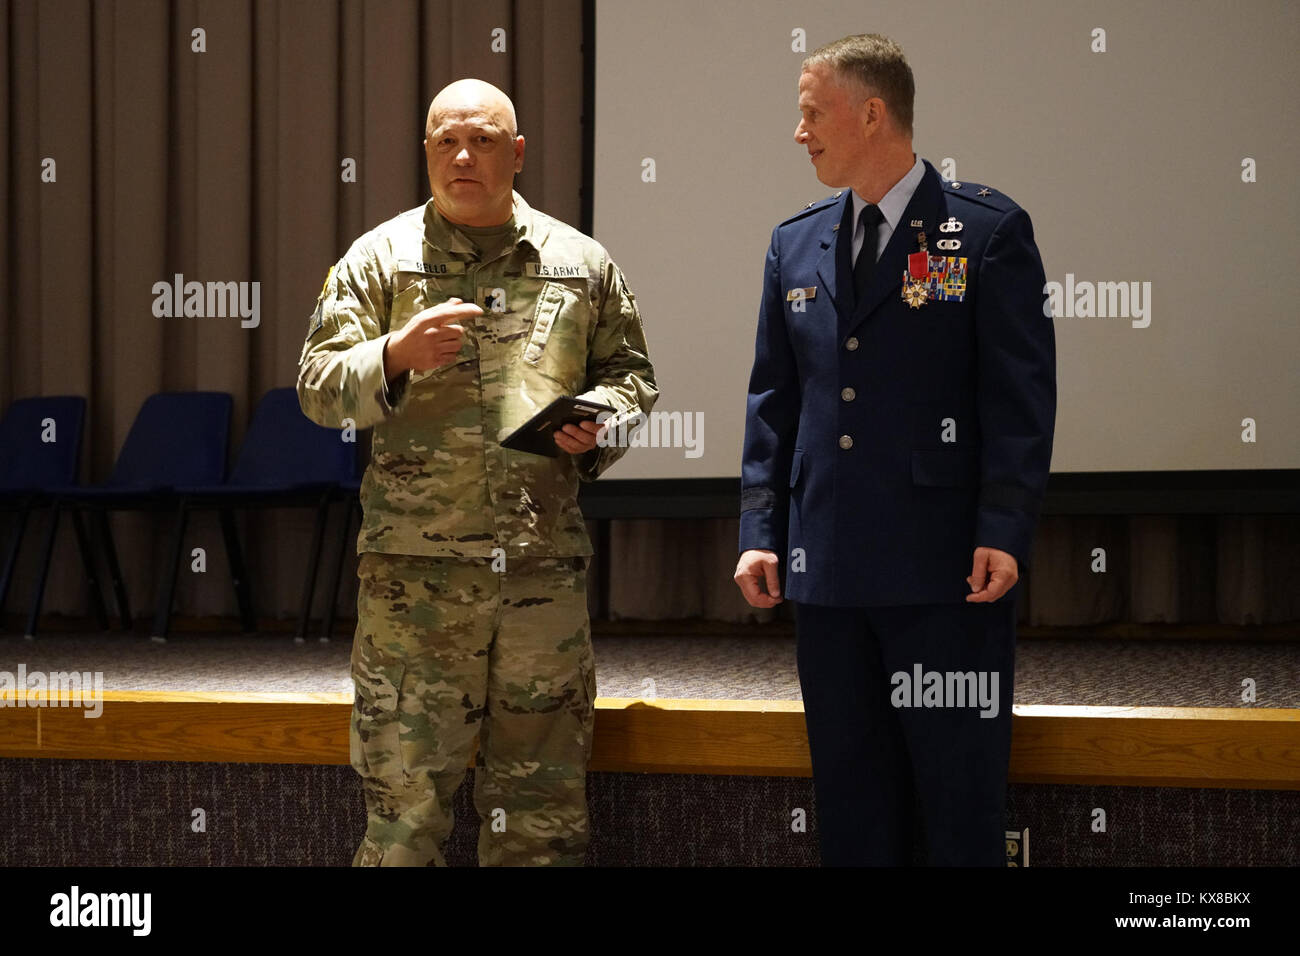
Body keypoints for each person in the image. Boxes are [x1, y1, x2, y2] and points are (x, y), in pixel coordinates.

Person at [298, 78, 657, 866]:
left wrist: (599, 423)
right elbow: (318, 387)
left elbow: (633, 378)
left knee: (542, 819)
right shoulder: (379, 260)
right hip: (414, 589)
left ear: (517, 152)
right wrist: (394, 354)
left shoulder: (580, 263)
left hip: (539, 581)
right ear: (426, 151)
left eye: (484, 140)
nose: (463, 155)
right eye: (446, 141)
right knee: (403, 820)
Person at [734, 34, 1056, 865]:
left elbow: (1018, 401)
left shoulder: (983, 231)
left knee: (958, 801)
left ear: (871, 114)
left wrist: (1004, 529)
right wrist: (761, 530)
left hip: (947, 573)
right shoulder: (794, 243)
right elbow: (775, 400)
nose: (798, 132)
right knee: (851, 801)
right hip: (829, 569)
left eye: (812, 113)